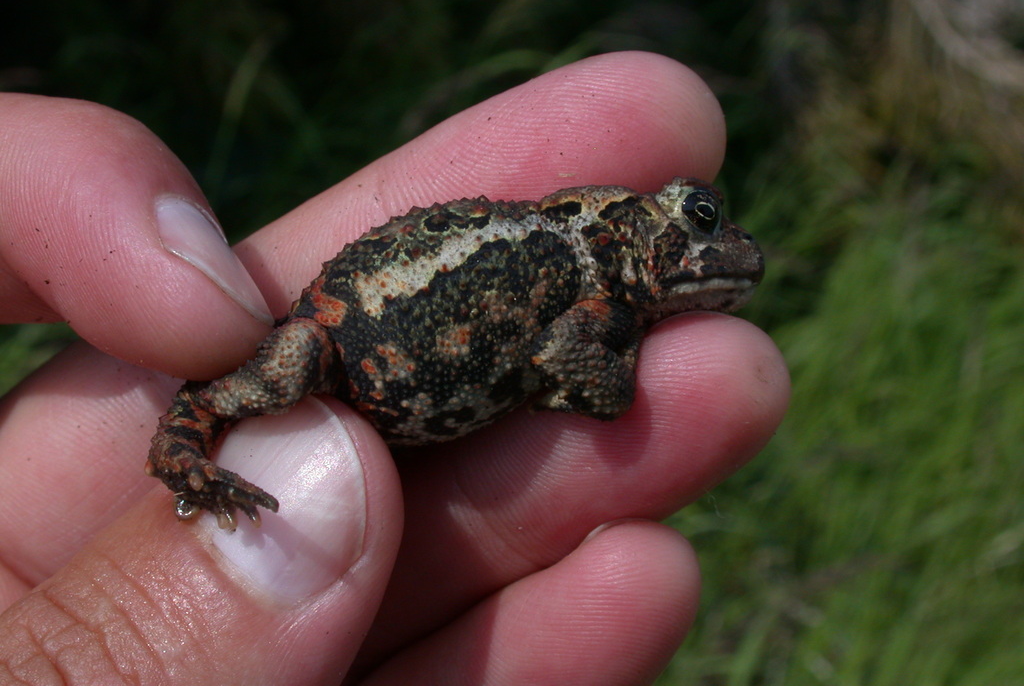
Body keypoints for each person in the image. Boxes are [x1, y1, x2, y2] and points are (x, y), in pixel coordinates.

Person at [0, 52, 789, 685]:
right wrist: (613, 395)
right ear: (638, 233)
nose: (709, 244)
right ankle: (179, 446)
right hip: (346, 347)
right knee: (284, 371)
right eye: (698, 223)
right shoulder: (589, 287)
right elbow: (560, 354)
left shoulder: (594, 285)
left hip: (401, 401)